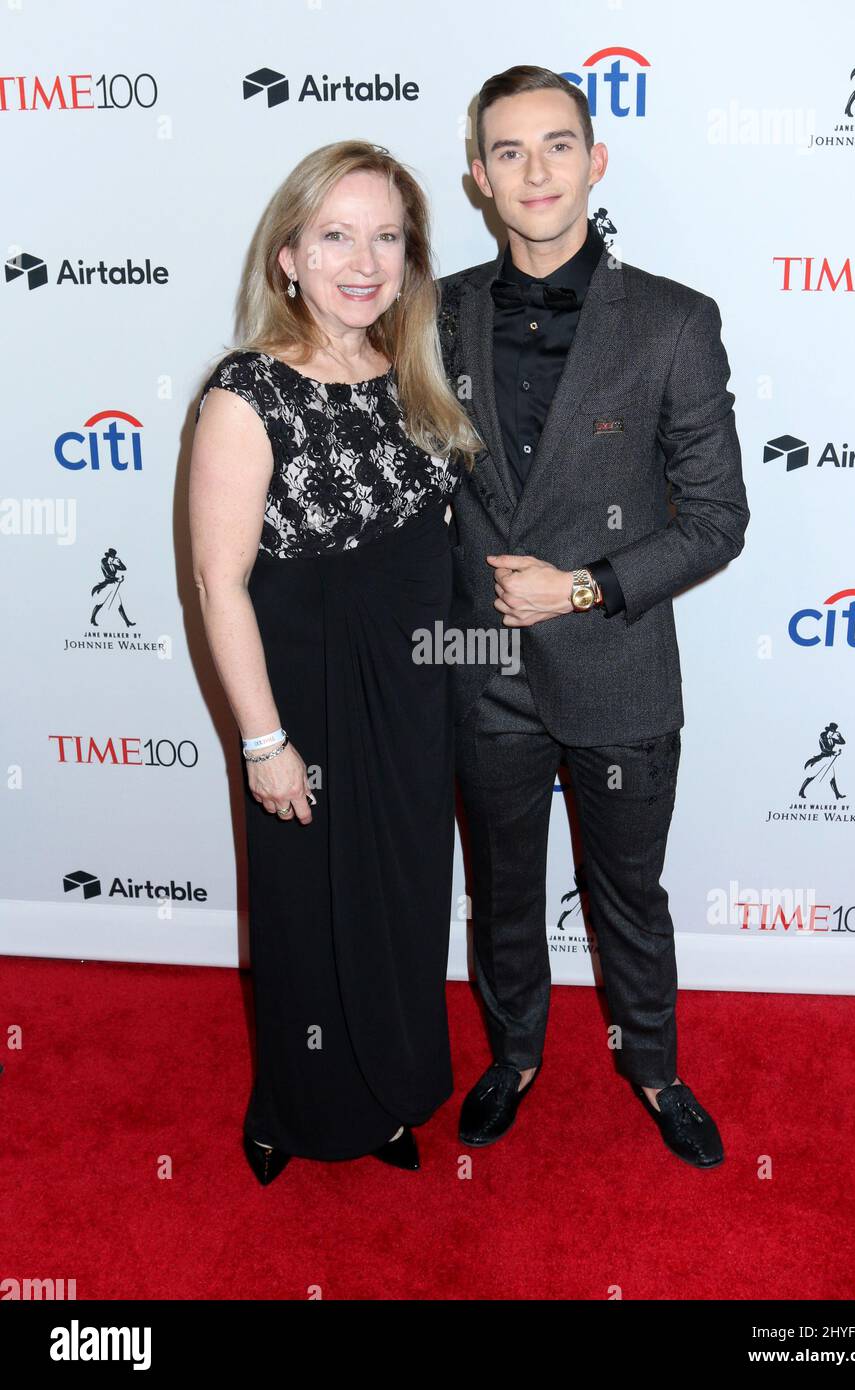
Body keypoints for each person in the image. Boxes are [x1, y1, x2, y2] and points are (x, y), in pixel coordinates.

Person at [437, 67, 750, 1166]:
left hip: (616, 665)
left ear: (595, 161)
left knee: (630, 896)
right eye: (510, 152)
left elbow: (717, 519)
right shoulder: (434, 316)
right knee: (504, 891)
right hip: (483, 670)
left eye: (558, 146)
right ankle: (514, 1054)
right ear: (479, 176)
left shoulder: (672, 322)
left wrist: (579, 587)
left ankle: (656, 1068)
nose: (536, 171)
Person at [190, 140, 482, 1184]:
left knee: (401, 899)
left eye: (387, 236)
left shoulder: (415, 369)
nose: (365, 260)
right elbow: (221, 583)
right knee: (307, 910)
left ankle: (382, 1096)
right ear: (287, 258)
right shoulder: (246, 392)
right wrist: (265, 742)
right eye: (335, 235)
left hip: (412, 696)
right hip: (306, 697)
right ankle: (293, 1110)